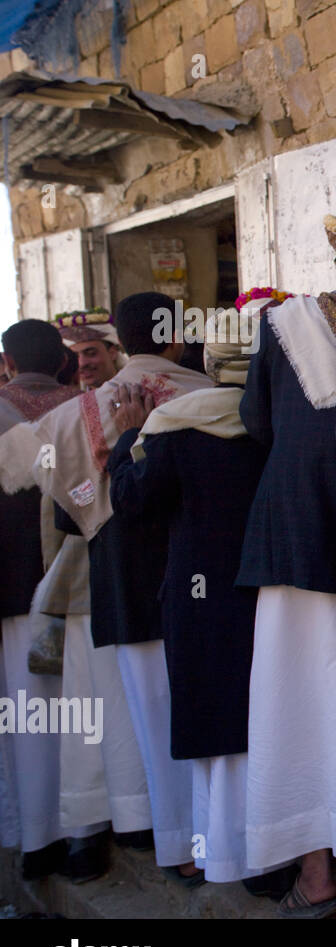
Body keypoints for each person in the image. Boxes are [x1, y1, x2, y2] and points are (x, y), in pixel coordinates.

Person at [2, 298, 211, 881]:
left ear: (119, 340)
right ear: (175, 338)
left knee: (131, 711)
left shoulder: (77, 415)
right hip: (203, 575)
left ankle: (153, 830)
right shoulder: (217, 392)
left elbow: (64, 508)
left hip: (120, 580)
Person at [237, 210, 336, 917]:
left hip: (299, 526)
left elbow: (256, 422)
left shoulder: (281, 322)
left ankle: (317, 872)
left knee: (300, 700)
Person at [106, 295, 284, 889]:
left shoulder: (176, 425)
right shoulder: (273, 420)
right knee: (261, 718)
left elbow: (133, 503)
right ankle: (270, 856)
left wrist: (127, 439)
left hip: (197, 594)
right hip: (264, 593)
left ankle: (227, 856)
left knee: (215, 726)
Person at [0, 320, 80, 878]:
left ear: (7, 362)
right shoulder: (87, 408)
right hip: (75, 584)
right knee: (78, 713)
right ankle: (81, 834)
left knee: (23, 718)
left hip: (10, 587)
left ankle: (34, 840)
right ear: (62, 363)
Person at [55, 309, 124, 390]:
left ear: (112, 353)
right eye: (75, 356)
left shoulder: (136, 389)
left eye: (91, 353)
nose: (82, 363)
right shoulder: (71, 398)